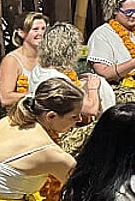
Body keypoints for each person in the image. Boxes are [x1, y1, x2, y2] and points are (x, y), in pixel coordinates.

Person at [29, 22, 115, 156]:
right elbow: (91, 110)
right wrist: (93, 88)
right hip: (60, 136)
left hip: (48, 127)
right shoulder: (57, 79)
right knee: (114, 128)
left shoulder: (38, 69)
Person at [0, 11, 48, 107]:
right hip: (22, 114)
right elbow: (5, 98)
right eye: (35, 29)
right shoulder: (11, 60)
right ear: (21, 33)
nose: (41, 33)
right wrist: (37, 97)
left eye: (43, 29)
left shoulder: (47, 56)